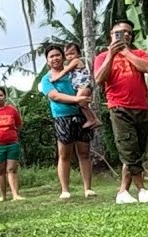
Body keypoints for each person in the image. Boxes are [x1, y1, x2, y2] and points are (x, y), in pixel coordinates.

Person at [95, 20, 148, 204]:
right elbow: (99, 79)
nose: (125, 35)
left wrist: (126, 52)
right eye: (119, 32)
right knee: (128, 149)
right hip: (119, 107)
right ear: (111, 35)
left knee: (136, 150)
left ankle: (122, 192)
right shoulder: (102, 57)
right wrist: (112, 54)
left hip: (141, 107)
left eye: (128, 32)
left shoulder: (139, 53)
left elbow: (147, 68)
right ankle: (142, 189)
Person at [39, 45, 97, 199]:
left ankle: (88, 188)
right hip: (61, 117)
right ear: (47, 61)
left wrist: (83, 97)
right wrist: (77, 99)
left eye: (57, 55)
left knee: (84, 152)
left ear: (63, 57)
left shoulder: (72, 72)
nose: (55, 58)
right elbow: (55, 96)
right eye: (51, 56)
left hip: (80, 115)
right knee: (64, 154)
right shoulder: (46, 78)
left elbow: (84, 84)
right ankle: (65, 189)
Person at [62, 42, 103, 130]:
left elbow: (65, 71)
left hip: (84, 85)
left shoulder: (76, 61)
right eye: (67, 54)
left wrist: (54, 77)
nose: (70, 56)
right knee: (83, 104)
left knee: (79, 101)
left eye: (72, 53)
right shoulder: (71, 63)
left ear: (78, 53)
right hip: (82, 86)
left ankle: (91, 120)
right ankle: (95, 119)